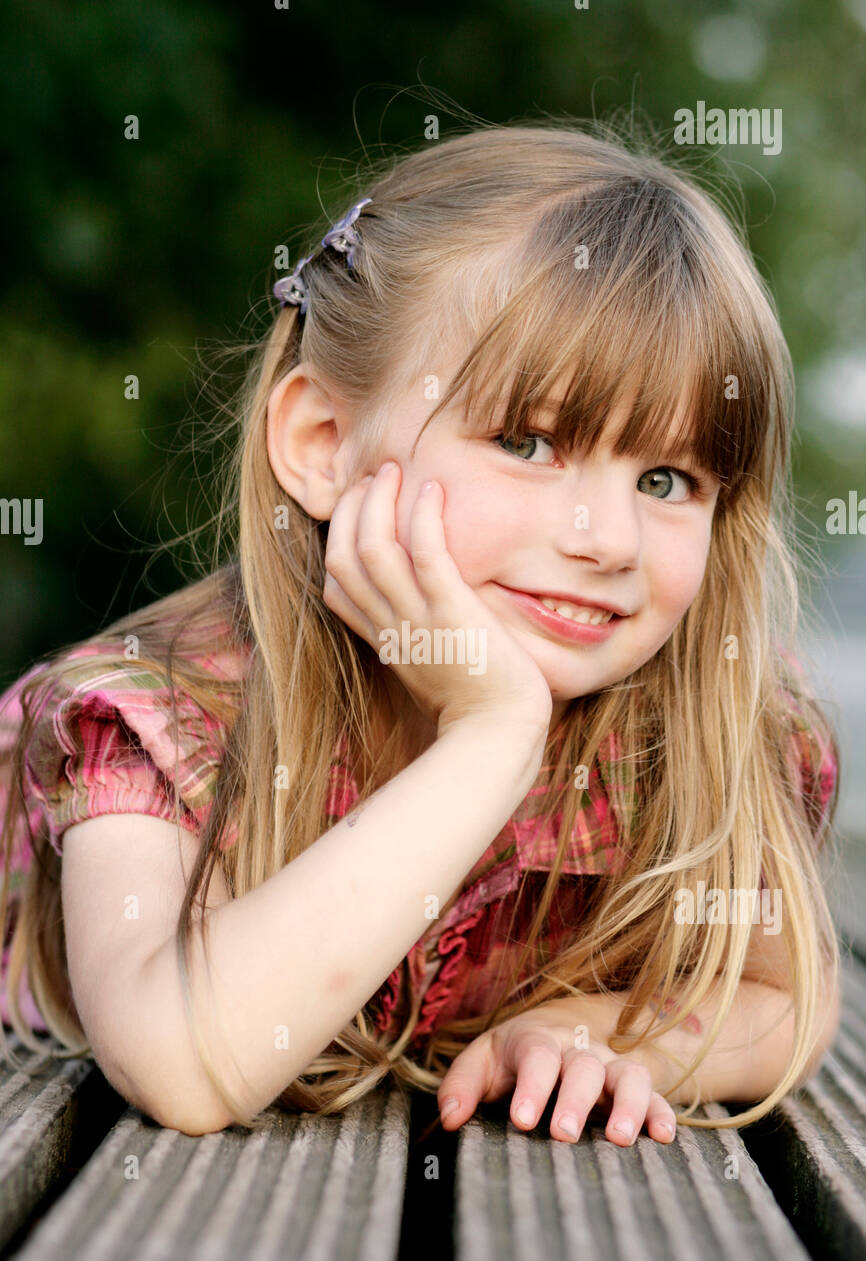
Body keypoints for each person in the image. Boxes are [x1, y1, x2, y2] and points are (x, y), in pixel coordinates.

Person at [0, 119, 841, 1146]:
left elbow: (782, 995)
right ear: (320, 444)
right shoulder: (159, 721)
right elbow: (188, 1060)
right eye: (526, 441)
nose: (606, 538)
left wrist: (600, 1032)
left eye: (665, 480)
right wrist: (490, 731)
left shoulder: (692, 726)